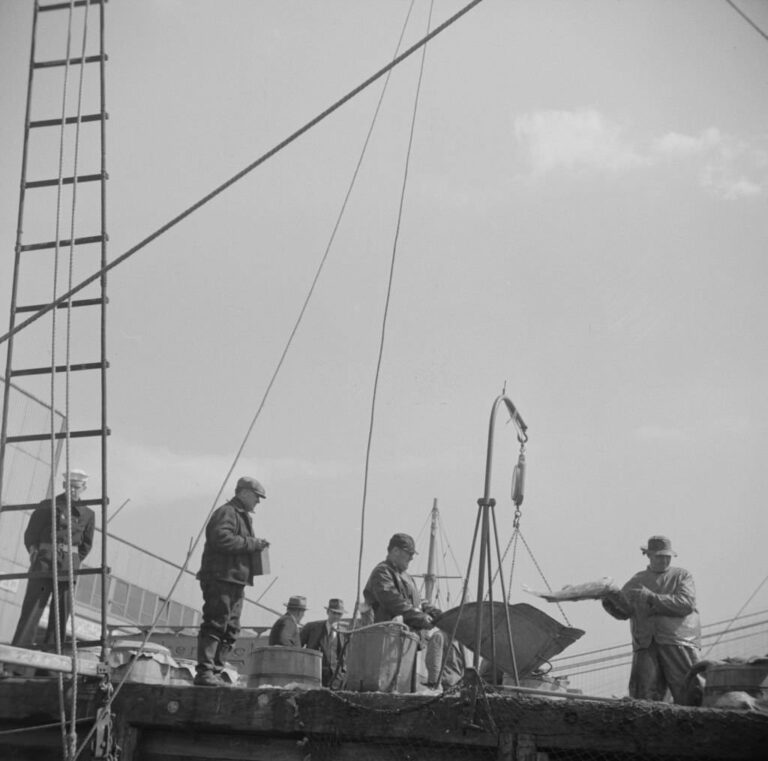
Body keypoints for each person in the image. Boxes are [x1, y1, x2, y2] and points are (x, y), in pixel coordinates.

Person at [602, 535, 701, 703]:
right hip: (646, 642)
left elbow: (686, 603)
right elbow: (624, 612)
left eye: (667, 557)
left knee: (688, 689)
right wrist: (607, 600)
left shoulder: (681, 575)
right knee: (643, 693)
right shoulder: (637, 580)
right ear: (648, 555)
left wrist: (652, 597)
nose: (664, 560)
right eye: (659, 556)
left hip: (678, 640)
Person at [195, 476, 269, 687]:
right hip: (221, 578)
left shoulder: (240, 516)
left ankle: (215, 672)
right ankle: (206, 672)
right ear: (244, 493)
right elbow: (221, 539)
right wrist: (252, 543)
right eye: (257, 497)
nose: (258, 502)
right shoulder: (227, 513)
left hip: (233, 580)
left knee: (230, 627)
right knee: (216, 623)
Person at [12, 469, 95, 650]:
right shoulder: (47, 506)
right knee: (32, 611)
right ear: (64, 485)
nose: (73, 490)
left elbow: (86, 546)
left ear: (84, 488)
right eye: (70, 486)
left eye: (77, 487)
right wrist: (37, 554)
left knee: (60, 615)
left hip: (68, 568)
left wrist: (71, 559)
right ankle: (16, 664)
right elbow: (31, 535)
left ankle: (50, 664)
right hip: (44, 564)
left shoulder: (88, 514)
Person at [362, 532, 445, 690]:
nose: (411, 558)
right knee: (390, 687)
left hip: (407, 642)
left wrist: (437, 614)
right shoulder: (382, 573)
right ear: (395, 551)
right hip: (386, 644)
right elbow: (393, 601)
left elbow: (419, 601)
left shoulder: (407, 577)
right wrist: (421, 618)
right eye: (409, 554)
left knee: (405, 685)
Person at [301, 598, 347, 687]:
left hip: (335, 678)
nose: (336, 616)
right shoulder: (312, 628)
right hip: (315, 675)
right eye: (334, 613)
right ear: (328, 612)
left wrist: (342, 672)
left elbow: (343, 656)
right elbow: (298, 646)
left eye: (339, 614)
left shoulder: (344, 632)